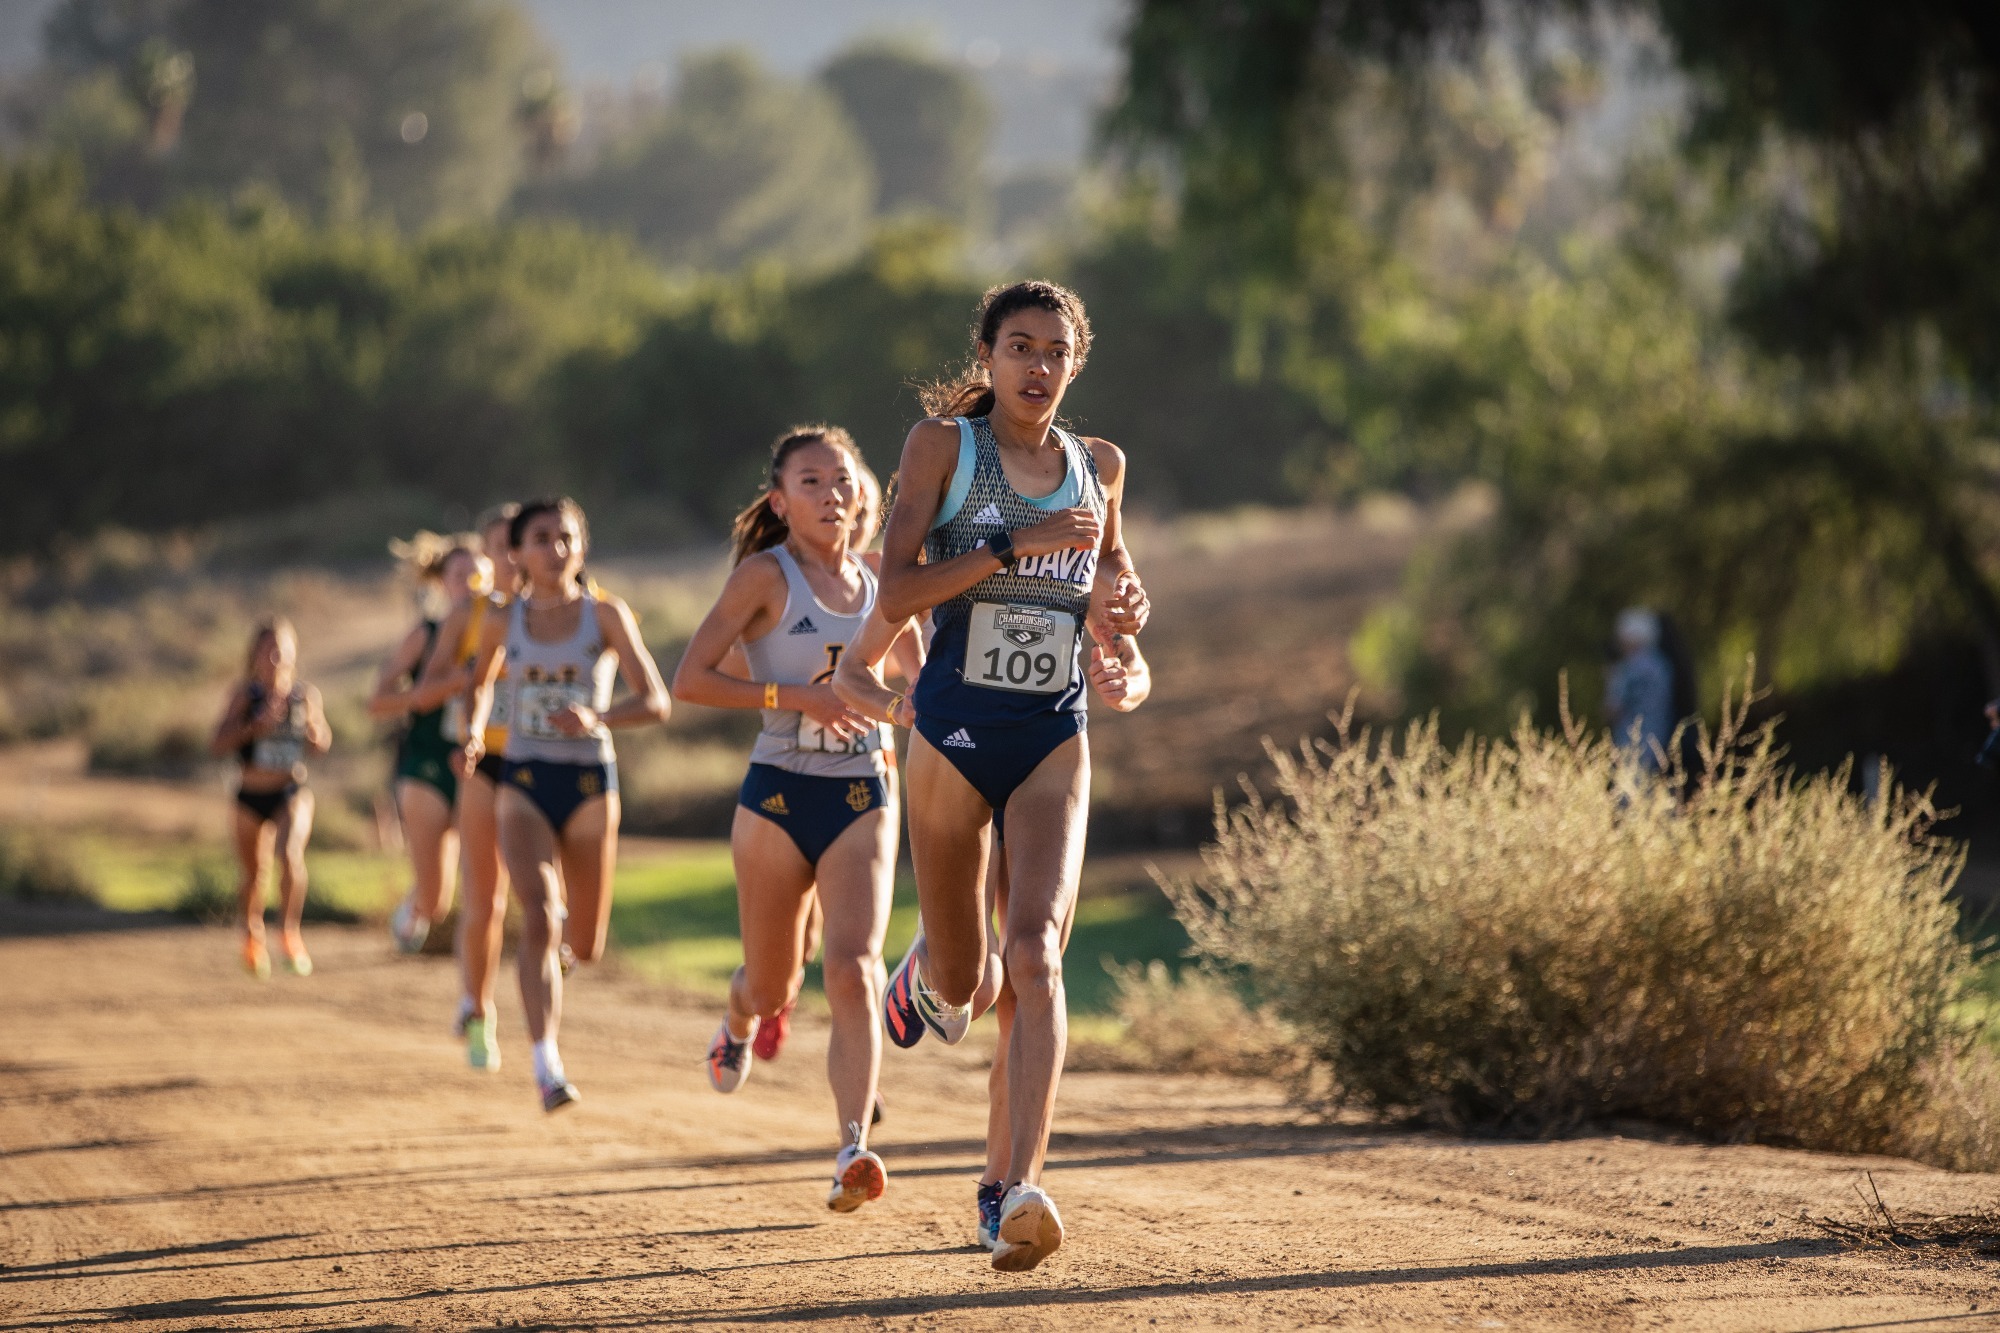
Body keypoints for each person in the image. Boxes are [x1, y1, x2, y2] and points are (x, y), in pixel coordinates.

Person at [859, 279, 1150, 1272]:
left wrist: (1123, 634)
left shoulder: (1097, 465)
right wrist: (1009, 544)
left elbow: (1109, 593)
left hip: (1051, 734)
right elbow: (895, 590)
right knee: (968, 981)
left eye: (1054, 351)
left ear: (1076, 363)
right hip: (950, 733)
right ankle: (926, 974)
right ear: (984, 356)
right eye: (1017, 346)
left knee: (1034, 957)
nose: (1036, 365)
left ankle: (1012, 1189)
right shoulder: (942, 448)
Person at [673, 425, 916, 1210]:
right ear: (781, 500)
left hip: (861, 792)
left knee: (853, 967)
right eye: (811, 481)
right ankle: (740, 1018)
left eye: (842, 479)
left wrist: (918, 714)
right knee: (773, 983)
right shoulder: (763, 578)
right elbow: (691, 679)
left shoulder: (885, 583)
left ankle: (853, 1146)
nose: (831, 493)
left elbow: (916, 685)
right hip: (776, 790)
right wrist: (796, 696)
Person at [460, 497, 671, 1111]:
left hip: (588, 784)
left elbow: (655, 701)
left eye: (567, 537)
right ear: (517, 552)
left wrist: (599, 716)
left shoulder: (604, 615)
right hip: (523, 780)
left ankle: (551, 969)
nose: (556, 549)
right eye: (542, 538)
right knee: (542, 916)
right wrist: (475, 731)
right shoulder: (503, 620)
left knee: (584, 940)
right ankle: (545, 1060)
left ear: (583, 545)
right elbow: (478, 687)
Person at [420, 503, 521, 1069]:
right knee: (487, 899)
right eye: (496, 546)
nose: (506, 555)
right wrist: (476, 678)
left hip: (545, 763)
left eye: (515, 542)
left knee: (542, 898)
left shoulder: (563, 610)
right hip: (483, 762)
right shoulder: (470, 616)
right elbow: (433, 684)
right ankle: (478, 1007)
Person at [371, 532, 491, 957]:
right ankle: (413, 910)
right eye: (460, 575)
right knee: (434, 900)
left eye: (479, 573)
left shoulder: (500, 629)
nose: (471, 583)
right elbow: (377, 701)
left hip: (478, 762)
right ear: (442, 582)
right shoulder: (424, 635)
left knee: (484, 878)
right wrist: (434, 691)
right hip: (425, 761)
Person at [209, 616, 332, 980]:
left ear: (294, 652)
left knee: (290, 855)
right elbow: (217, 743)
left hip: (289, 790)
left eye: (282, 648)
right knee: (253, 875)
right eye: (269, 648)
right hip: (249, 795)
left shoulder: (304, 696)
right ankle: (252, 934)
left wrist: (315, 736)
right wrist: (252, 728)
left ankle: (289, 933)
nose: (276, 656)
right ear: (255, 654)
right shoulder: (244, 696)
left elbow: (322, 741)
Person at [1607, 607, 1675, 771]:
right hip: (1660, 740)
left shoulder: (1628, 669)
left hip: (1631, 742)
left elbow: (1612, 709)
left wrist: (1611, 681)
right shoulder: (1662, 665)